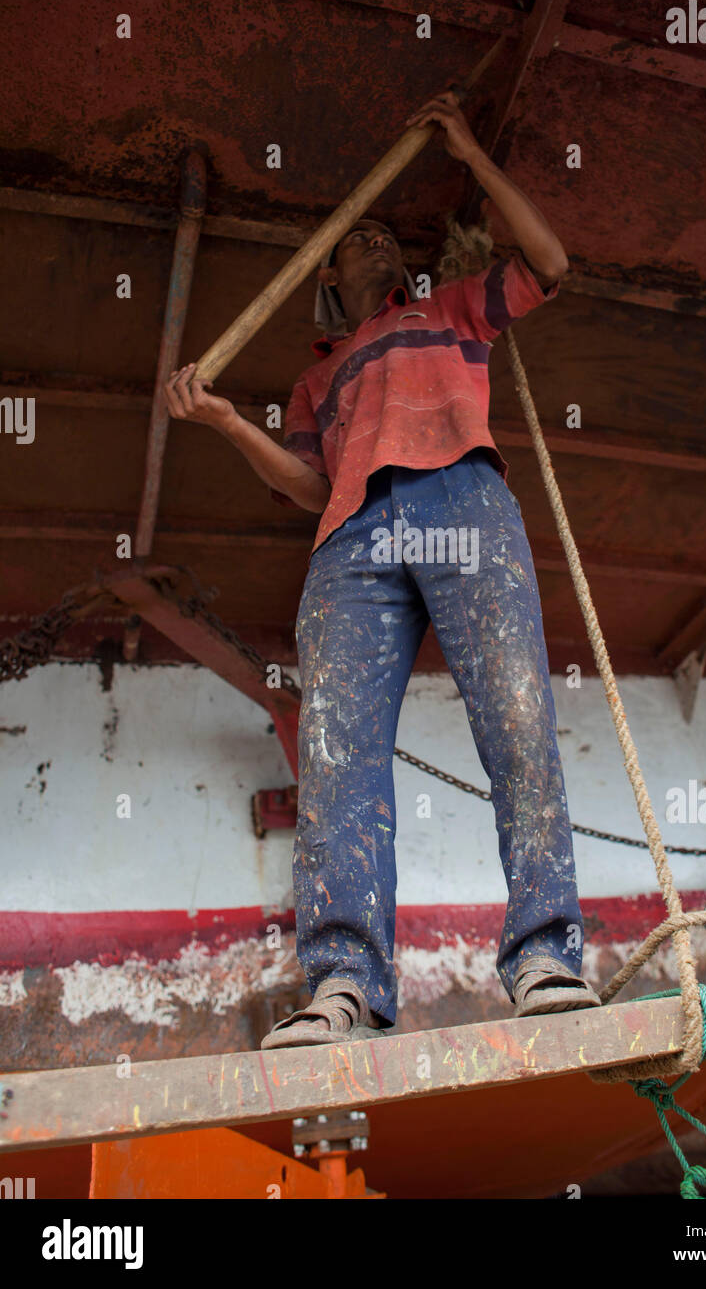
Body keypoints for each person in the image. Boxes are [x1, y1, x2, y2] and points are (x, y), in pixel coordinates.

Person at [164, 88, 601, 1047]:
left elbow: (553, 264)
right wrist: (227, 421)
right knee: (333, 756)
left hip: (462, 502)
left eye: (384, 238)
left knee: (518, 715)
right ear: (327, 281)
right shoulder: (317, 377)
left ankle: (546, 955)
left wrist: (469, 150)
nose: (375, 245)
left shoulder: (451, 309)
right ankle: (344, 988)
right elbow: (300, 482)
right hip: (349, 536)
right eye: (353, 242)